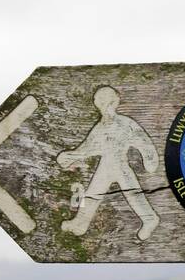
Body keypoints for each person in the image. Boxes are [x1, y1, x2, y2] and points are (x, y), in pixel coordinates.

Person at [58, 87, 161, 241]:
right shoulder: (99, 128)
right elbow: (88, 148)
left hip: (120, 166)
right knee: (93, 194)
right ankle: (80, 223)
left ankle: (150, 219)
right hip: (105, 167)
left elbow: (142, 140)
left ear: (115, 101)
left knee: (133, 193)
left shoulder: (125, 123)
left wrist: (150, 159)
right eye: (100, 102)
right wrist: (69, 156)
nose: (103, 105)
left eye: (106, 101)